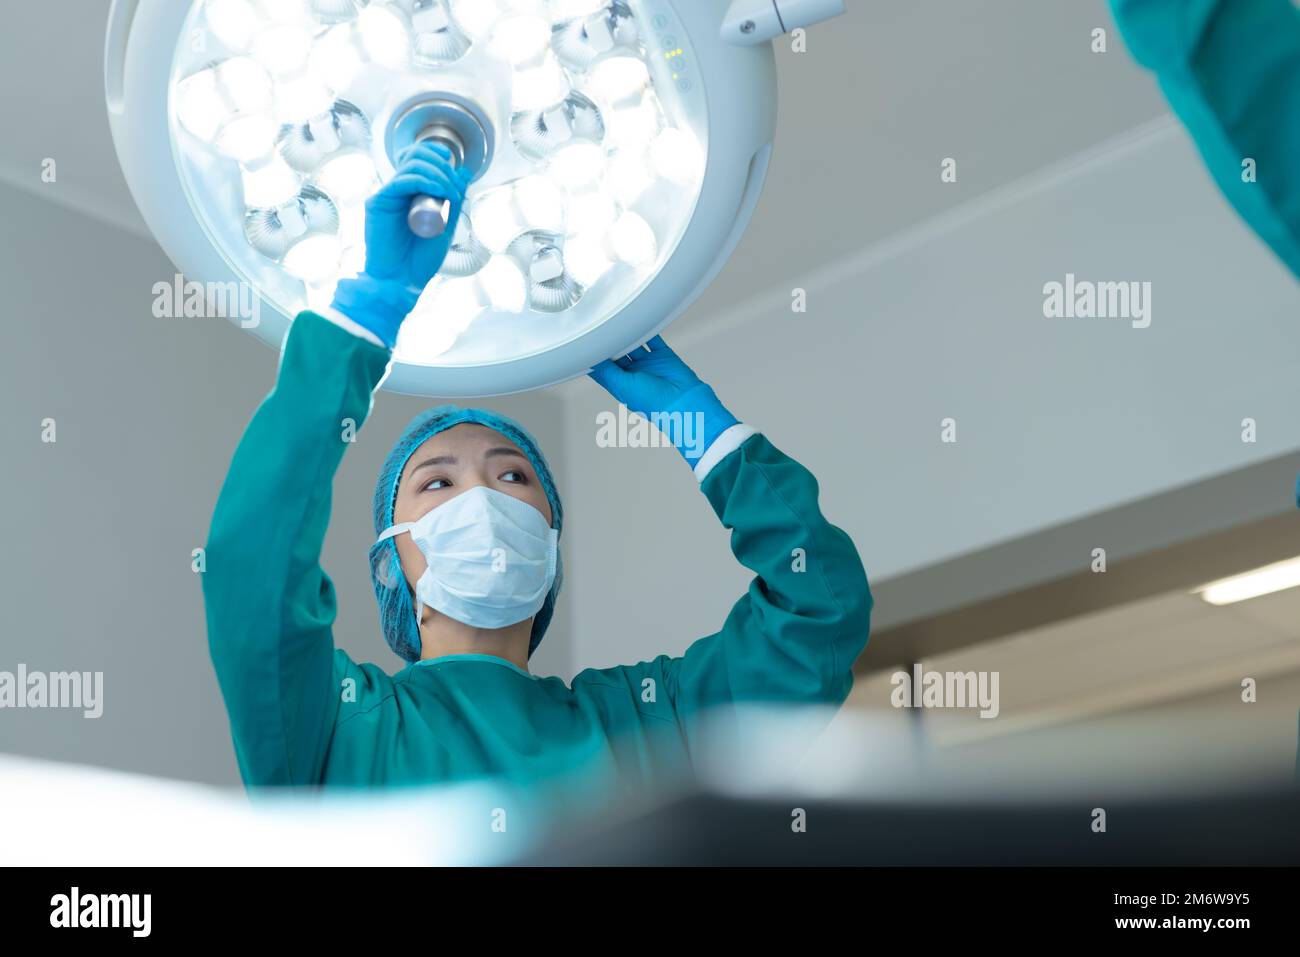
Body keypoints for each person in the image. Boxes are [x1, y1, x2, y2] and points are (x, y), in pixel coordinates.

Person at [201, 142, 874, 800]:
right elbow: (252, 568)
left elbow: (818, 607)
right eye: (437, 482)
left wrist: (699, 425)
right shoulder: (341, 729)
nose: (485, 498)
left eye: (514, 477)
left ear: (552, 547)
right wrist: (364, 317)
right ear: (387, 565)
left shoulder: (643, 724)